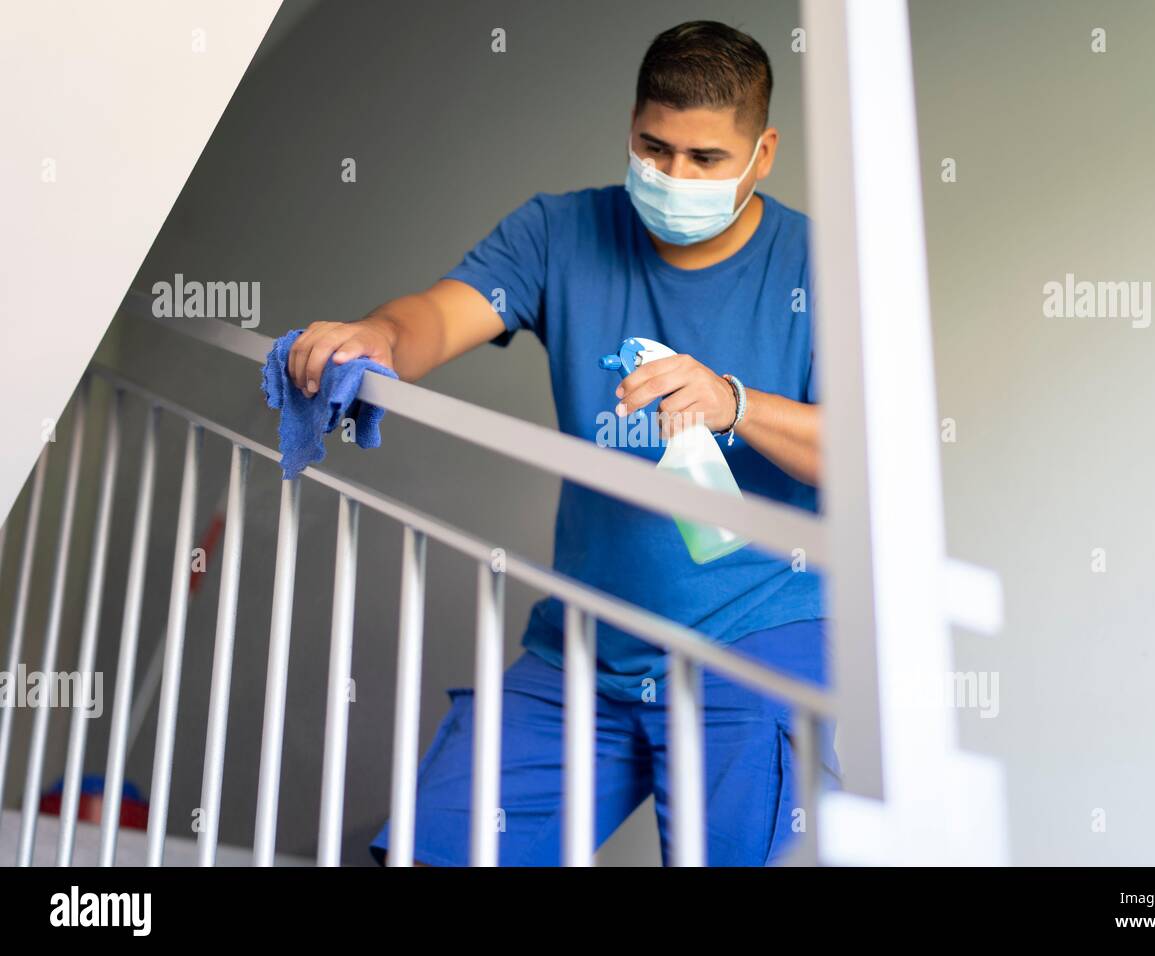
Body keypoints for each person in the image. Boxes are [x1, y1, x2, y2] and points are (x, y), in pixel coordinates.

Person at [286, 19, 840, 866]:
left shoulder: (822, 265)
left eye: (704, 160)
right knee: (436, 849)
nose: (672, 176)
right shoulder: (561, 234)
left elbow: (873, 462)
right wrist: (376, 338)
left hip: (754, 639)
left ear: (762, 154)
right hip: (586, 641)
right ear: (630, 128)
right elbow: (435, 316)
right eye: (654, 149)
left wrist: (734, 402)